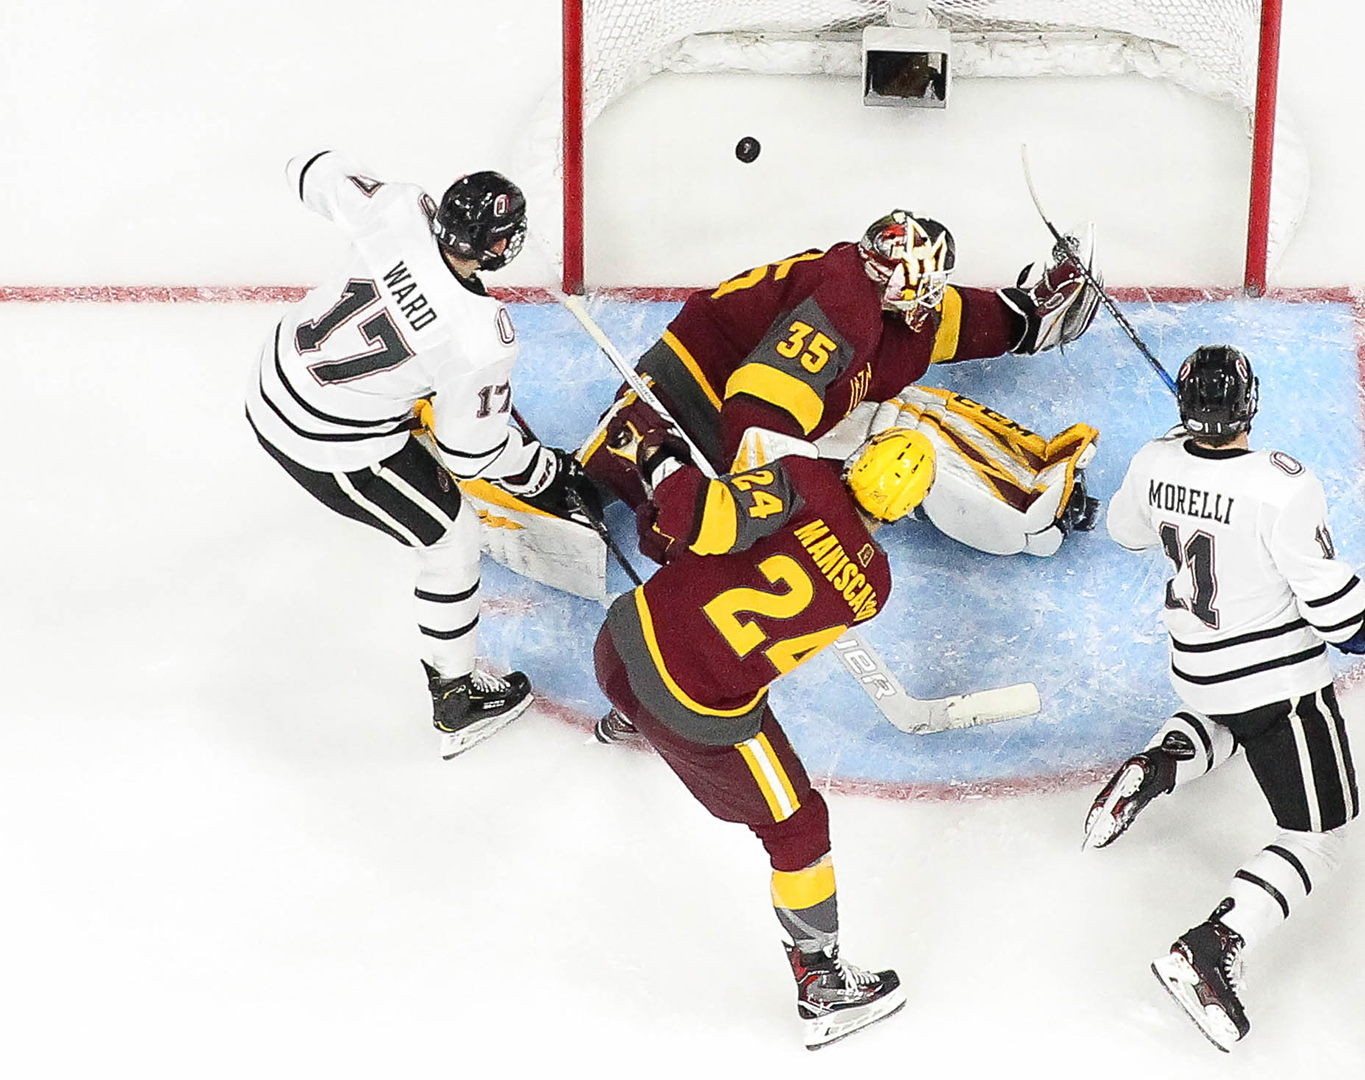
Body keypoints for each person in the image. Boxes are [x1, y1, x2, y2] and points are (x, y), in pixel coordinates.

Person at [589, 422, 936, 1049]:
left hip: (616, 650)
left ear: (857, 464)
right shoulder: (874, 589)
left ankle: (625, 718)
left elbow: (691, 526)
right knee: (798, 826)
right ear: (907, 511)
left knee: (673, 606)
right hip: (693, 714)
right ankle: (823, 983)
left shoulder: (804, 479)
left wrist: (660, 456)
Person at [1086, 345, 1365, 1052]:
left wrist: (1170, 464)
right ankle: (1212, 943)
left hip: (1194, 666)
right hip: (1277, 684)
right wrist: (1361, 622)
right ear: (1250, 404)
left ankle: (1162, 762)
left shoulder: (1154, 462)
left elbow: (1123, 530)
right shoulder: (1282, 484)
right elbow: (1328, 602)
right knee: (1318, 836)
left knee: (1224, 719)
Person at [245, 151, 597, 758]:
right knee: (450, 538)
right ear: (498, 246)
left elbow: (309, 171)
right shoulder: (479, 338)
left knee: (422, 391)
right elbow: (472, 455)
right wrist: (545, 473)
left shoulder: (399, 209)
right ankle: (457, 698)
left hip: (272, 378)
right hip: (328, 443)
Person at [592, 209, 1101, 558]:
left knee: (917, 411)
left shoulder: (869, 291)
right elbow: (757, 407)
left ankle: (1031, 477)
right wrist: (751, 510)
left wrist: (1023, 319)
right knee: (906, 441)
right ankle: (1029, 518)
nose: (931, 297)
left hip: (717, 387)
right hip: (702, 420)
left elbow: (931, 327)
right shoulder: (840, 315)